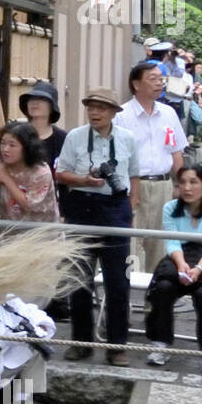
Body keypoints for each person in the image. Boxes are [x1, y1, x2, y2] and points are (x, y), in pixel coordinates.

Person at [55, 87, 139, 367]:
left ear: (114, 112)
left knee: (119, 281)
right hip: (82, 206)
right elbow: (61, 173)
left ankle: (117, 346)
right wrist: (83, 181)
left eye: (101, 108)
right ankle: (81, 342)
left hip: (116, 210)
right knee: (79, 279)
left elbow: (134, 176)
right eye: (91, 107)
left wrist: (131, 209)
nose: (95, 112)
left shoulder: (127, 139)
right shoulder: (75, 137)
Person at [144, 165, 202, 372]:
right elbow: (173, 242)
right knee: (163, 287)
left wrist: (198, 269)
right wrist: (182, 265)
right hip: (180, 257)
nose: (187, 188)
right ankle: (161, 342)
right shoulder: (170, 208)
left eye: (193, 182)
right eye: (182, 182)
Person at [115, 60, 186, 272]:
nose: (159, 84)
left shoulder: (168, 114)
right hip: (133, 187)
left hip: (163, 186)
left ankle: (156, 299)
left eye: (161, 79)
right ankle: (128, 298)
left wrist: (180, 186)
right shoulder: (121, 115)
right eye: (152, 79)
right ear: (136, 85)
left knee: (161, 242)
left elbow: (176, 152)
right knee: (132, 242)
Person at [0, 121, 60, 222]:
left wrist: (5, 178)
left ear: (27, 148)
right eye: (3, 143)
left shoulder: (41, 171)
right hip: (7, 229)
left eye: (12, 145)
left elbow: (29, 205)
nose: (5, 149)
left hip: (39, 230)